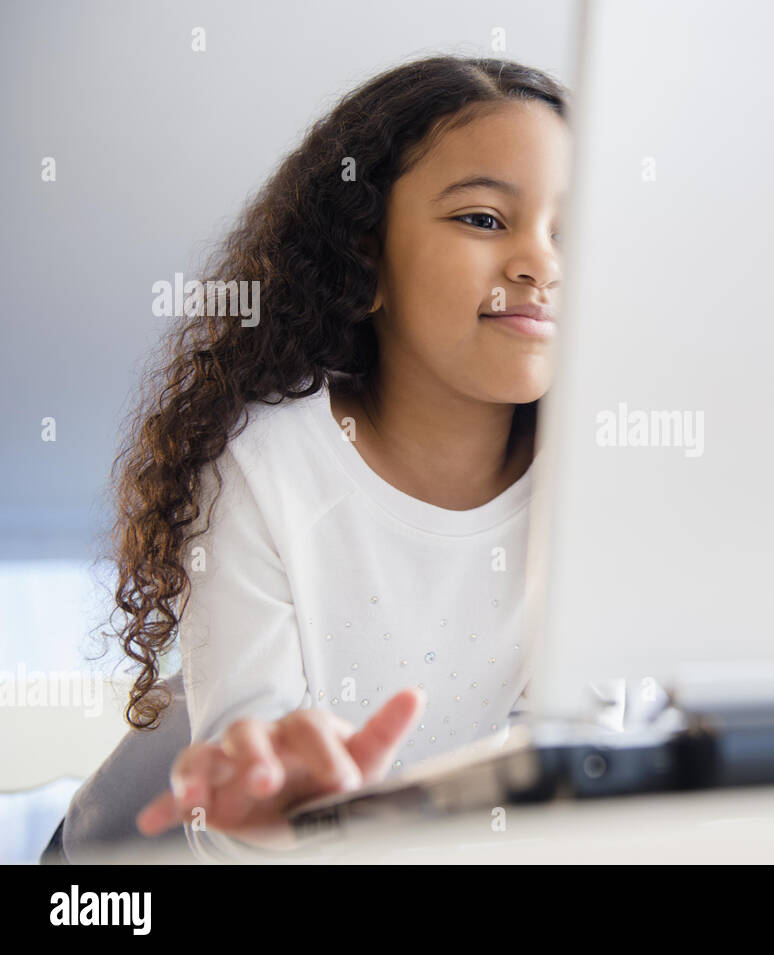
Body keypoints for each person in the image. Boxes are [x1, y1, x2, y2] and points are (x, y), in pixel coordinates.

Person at [105, 54, 568, 860]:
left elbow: (551, 792)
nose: (542, 264)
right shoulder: (262, 462)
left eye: (572, 231)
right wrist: (279, 809)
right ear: (366, 261)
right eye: (485, 219)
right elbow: (239, 832)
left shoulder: (595, 493)